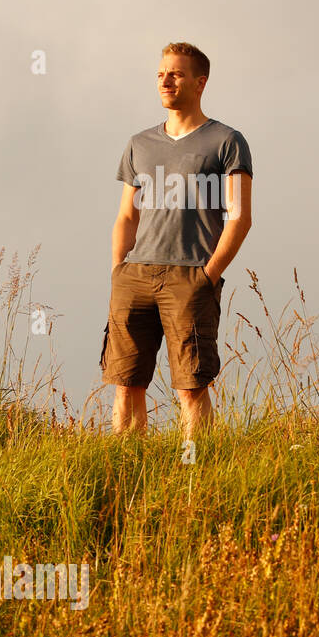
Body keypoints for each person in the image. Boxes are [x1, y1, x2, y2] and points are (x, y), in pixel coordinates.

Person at [101, 42, 253, 440]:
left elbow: (240, 217)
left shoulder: (226, 141)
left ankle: (194, 472)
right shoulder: (139, 143)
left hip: (192, 276)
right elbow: (127, 215)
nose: (165, 80)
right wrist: (119, 270)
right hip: (135, 275)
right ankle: (125, 466)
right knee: (127, 382)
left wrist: (209, 275)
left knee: (190, 385)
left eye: (176, 73)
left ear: (200, 82)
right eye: (161, 73)